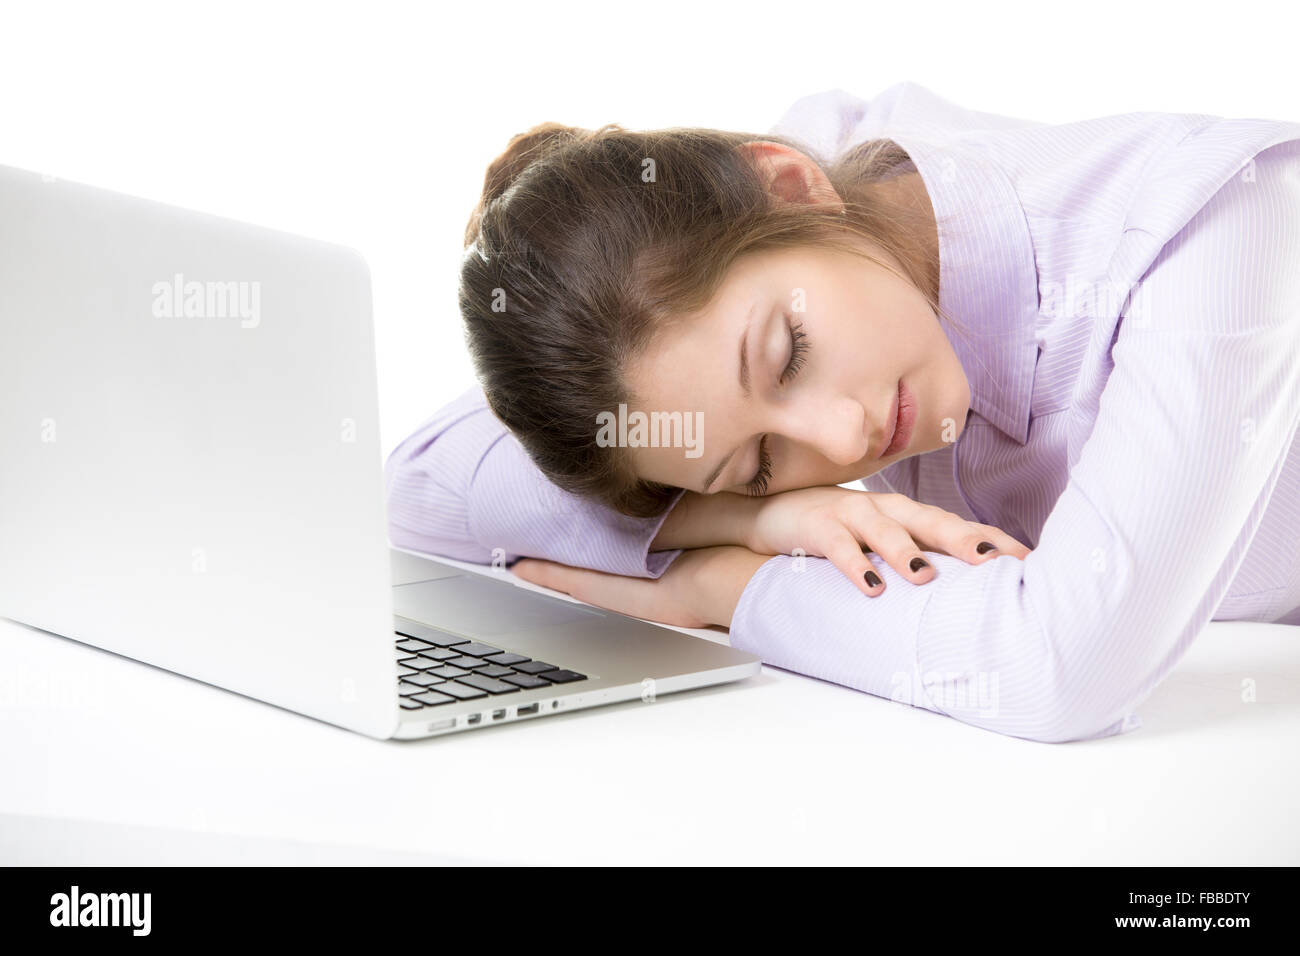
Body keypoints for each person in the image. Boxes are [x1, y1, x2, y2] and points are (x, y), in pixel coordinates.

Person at [385, 81, 1300, 743]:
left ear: (791, 186)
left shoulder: (1219, 220)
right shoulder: (784, 239)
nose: (838, 440)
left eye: (789, 356)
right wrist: (767, 515)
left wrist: (724, 588)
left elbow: (1060, 670)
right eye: (757, 460)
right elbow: (421, 486)